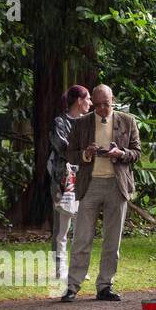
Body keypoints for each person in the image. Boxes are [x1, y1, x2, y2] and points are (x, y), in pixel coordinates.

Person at [60, 84, 141, 302]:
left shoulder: (127, 121)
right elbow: (70, 153)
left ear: (113, 99)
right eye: (98, 105)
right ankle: (72, 287)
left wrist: (120, 153)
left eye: (107, 103)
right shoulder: (82, 123)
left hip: (117, 185)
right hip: (91, 184)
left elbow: (137, 152)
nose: (103, 108)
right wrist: (86, 154)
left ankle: (105, 286)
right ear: (93, 104)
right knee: (81, 238)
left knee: (112, 240)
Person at [47, 85, 90, 283]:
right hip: (63, 179)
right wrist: (83, 151)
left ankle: (78, 268)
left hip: (84, 178)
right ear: (79, 101)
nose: (90, 103)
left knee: (82, 226)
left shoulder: (88, 122)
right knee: (62, 226)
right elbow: (62, 147)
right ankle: (59, 268)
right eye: (87, 99)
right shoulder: (60, 122)